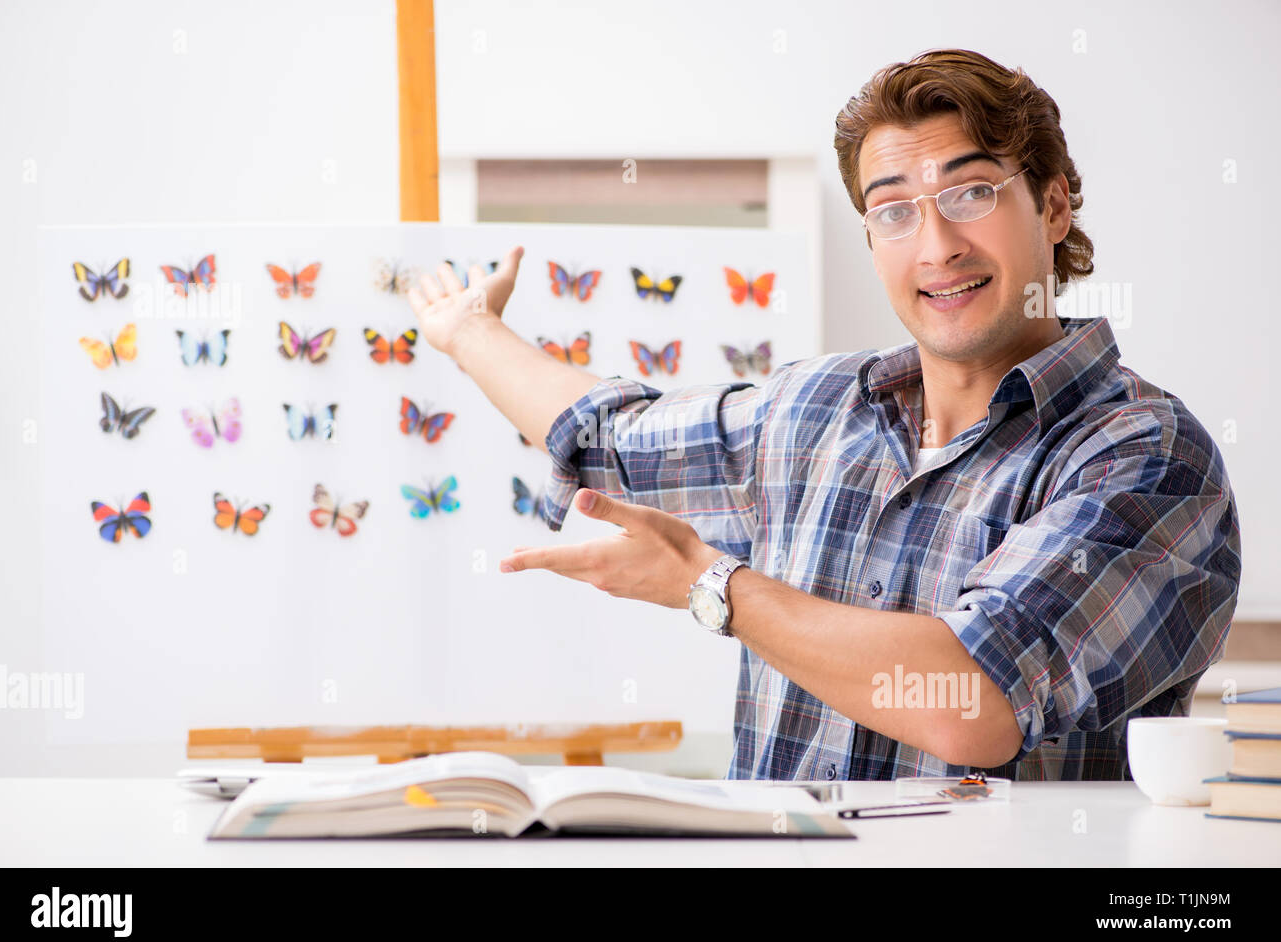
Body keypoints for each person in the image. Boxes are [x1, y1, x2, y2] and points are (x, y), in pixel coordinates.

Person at [405, 48, 1242, 782]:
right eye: (894, 210)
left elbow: (973, 697)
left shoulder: (1145, 455)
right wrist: (470, 333)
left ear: (1054, 208)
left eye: (972, 191)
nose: (936, 245)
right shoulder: (812, 412)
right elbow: (606, 437)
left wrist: (716, 587)